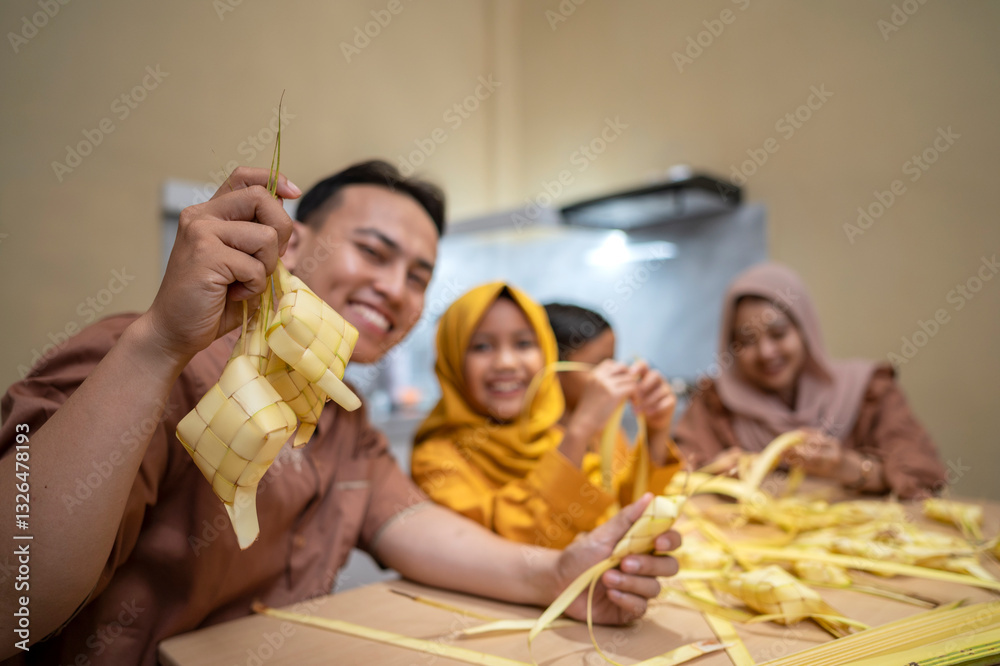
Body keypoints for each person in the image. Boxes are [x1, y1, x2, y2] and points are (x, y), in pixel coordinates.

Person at [0, 162, 680, 665]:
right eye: (375, 253)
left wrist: (556, 575)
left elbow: (411, 522)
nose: (394, 288)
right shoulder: (149, 356)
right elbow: (13, 603)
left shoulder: (343, 423)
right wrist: (157, 345)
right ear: (291, 244)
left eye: (418, 275)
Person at [410, 285, 678, 551]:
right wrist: (579, 430)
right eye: (481, 347)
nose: (506, 362)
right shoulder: (437, 461)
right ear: (452, 360)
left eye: (524, 343)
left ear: (546, 354)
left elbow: (625, 511)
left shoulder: (553, 437)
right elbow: (519, 544)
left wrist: (656, 429)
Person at [673, 262, 946, 499]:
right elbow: (674, 475)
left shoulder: (868, 391)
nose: (767, 352)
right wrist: (710, 475)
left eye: (778, 334)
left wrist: (848, 467)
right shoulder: (716, 402)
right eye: (747, 341)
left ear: (805, 330)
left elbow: (925, 475)